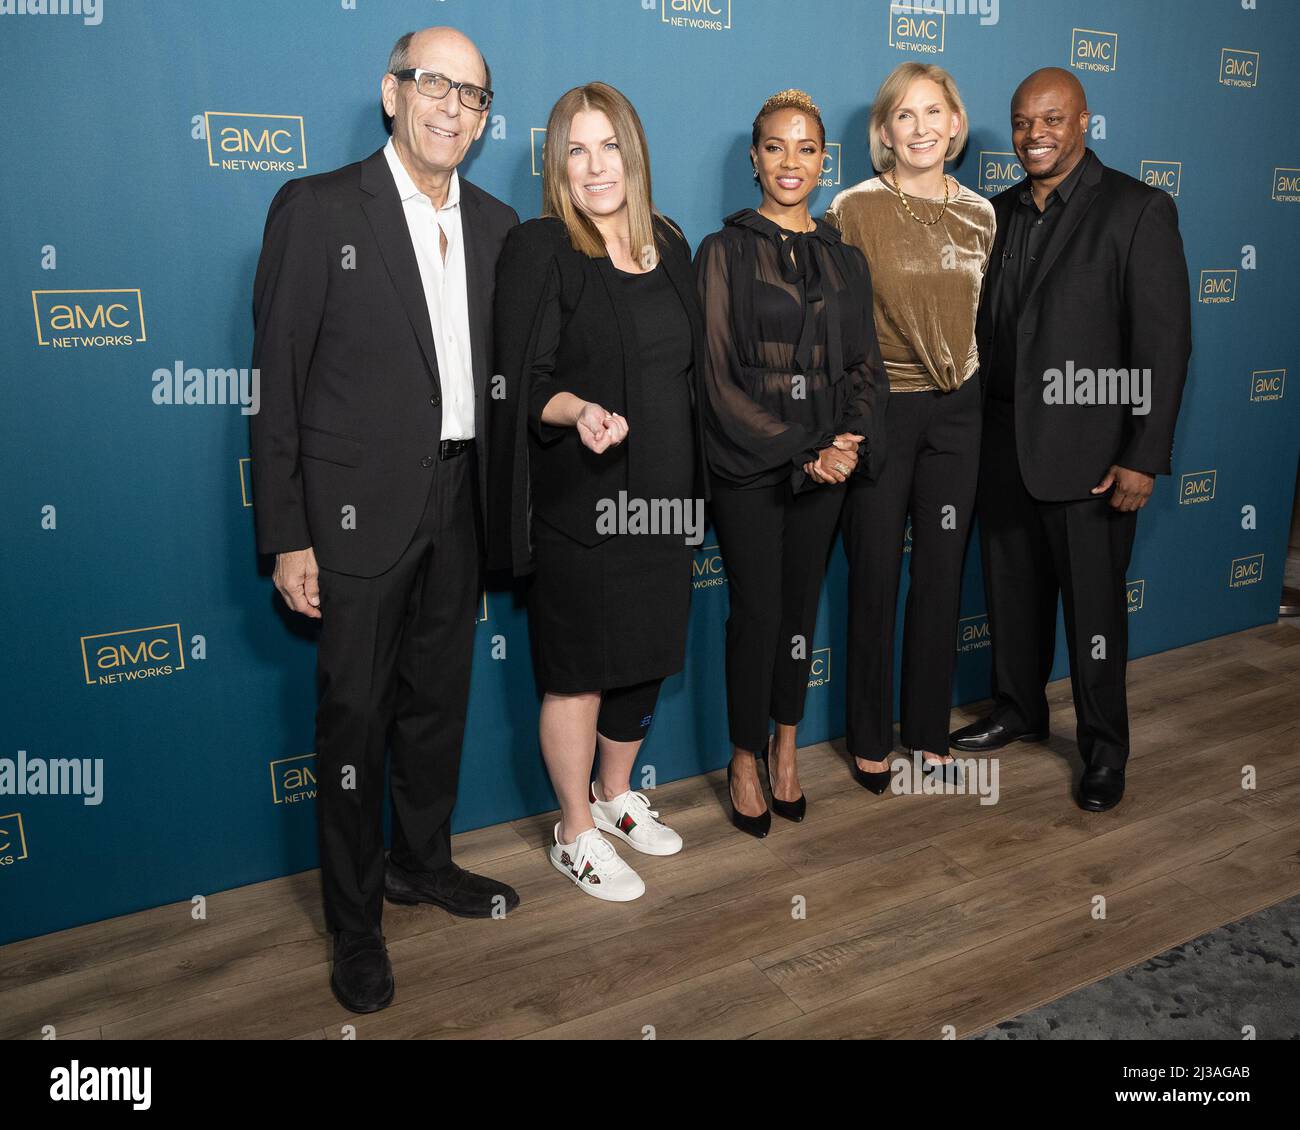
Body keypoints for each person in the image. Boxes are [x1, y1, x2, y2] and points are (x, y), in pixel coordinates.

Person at [249, 26, 520, 1014]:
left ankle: (421, 862)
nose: (453, 107)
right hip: (353, 517)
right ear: (392, 92)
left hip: (463, 503)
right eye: (434, 85)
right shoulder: (318, 209)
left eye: (473, 96)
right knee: (355, 722)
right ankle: (355, 923)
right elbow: (274, 385)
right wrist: (287, 531)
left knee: (435, 707)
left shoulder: (498, 223)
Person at [949, 68, 1191, 812]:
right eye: (1022, 123)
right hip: (1003, 447)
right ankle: (1019, 709)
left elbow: (1164, 344)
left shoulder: (1136, 209)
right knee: (1012, 596)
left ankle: (1102, 749)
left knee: (1093, 614)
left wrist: (1143, 456)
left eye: (1051, 120)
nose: (1034, 136)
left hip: (1092, 458)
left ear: (1084, 121)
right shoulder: (998, 214)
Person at [489, 82, 708, 901]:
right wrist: (576, 409)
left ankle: (615, 798)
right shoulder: (542, 247)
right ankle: (572, 830)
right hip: (582, 502)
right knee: (578, 671)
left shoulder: (671, 242)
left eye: (608, 145)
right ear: (557, 165)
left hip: (666, 500)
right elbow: (520, 382)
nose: (594, 165)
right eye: (575, 150)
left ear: (634, 151)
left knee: (647, 658)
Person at [695, 89, 887, 838]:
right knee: (759, 614)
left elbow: (868, 368)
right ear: (754, 158)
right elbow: (717, 381)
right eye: (776, 147)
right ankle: (743, 757)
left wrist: (846, 444)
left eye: (806, 148)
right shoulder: (723, 251)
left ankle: (785, 747)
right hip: (753, 467)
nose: (791, 162)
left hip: (829, 469)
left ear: (822, 161)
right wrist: (805, 450)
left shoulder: (846, 258)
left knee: (801, 613)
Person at [827, 63, 994, 793]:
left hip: (960, 410)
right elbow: (831, 323)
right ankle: (868, 734)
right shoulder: (852, 208)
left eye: (935, 112)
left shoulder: (984, 213)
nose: (921, 127)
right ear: (885, 132)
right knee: (873, 573)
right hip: (883, 408)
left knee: (940, 574)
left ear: (956, 124)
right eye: (905, 115)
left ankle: (927, 731)